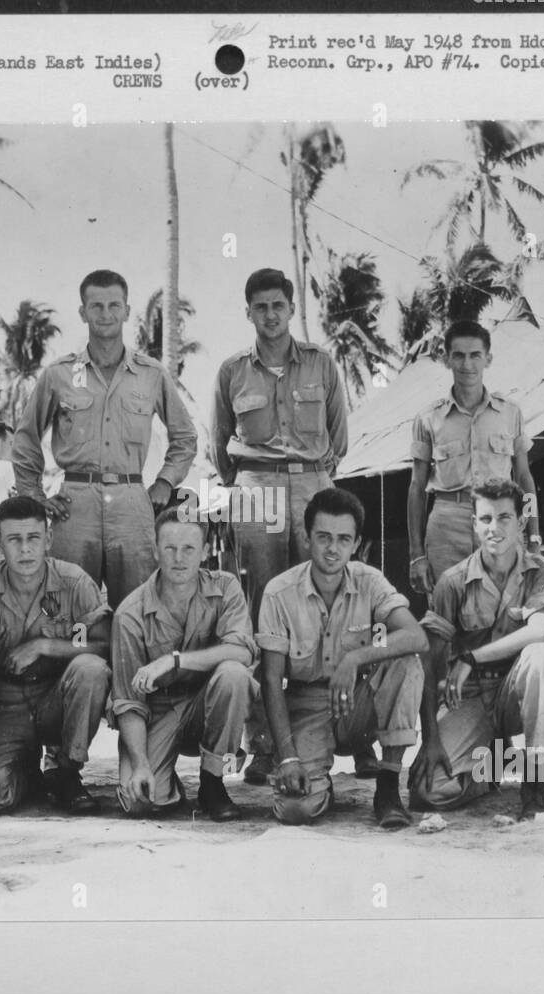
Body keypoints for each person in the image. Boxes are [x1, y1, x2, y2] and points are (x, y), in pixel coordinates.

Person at [211, 268, 349, 784]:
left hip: (312, 485)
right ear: (248, 312)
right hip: (256, 492)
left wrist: (306, 474)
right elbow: (219, 444)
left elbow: (339, 436)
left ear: (291, 309)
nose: (270, 315)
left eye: (278, 305)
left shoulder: (321, 364)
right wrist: (252, 481)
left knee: (316, 608)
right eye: (260, 306)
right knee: (259, 611)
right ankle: (263, 743)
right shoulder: (232, 372)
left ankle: (315, 734)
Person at [10, 270, 198, 605]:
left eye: (114, 305)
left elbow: (184, 437)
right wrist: (34, 496)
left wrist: (165, 483)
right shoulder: (60, 374)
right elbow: (25, 439)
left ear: (127, 310)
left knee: (140, 605)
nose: (106, 314)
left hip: (132, 503)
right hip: (74, 506)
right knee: (68, 606)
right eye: (96, 306)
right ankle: (75, 660)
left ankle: (137, 660)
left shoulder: (151, 375)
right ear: (83, 312)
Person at [256, 488, 427, 828]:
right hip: (305, 707)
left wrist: (355, 660)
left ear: (357, 544)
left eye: (343, 539)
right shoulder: (279, 592)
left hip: (356, 704)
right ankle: (321, 785)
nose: (333, 549)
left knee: (406, 661)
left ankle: (388, 785)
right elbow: (271, 680)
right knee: (296, 810)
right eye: (323, 537)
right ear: (306, 539)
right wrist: (288, 756)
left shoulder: (369, 580)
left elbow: (416, 636)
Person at [409, 478, 544, 820]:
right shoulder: (453, 581)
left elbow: (539, 630)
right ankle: (490, 768)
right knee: (430, 792)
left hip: (516, 691)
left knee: (543, 656)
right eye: (485, 519)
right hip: (470, 696)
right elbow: (430, 662)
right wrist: (431, 740)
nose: (494, 529)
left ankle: (535, 784)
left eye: (504, 518)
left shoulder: (538, 571)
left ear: (521, 523)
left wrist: (471, 656)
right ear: (474, 525)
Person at [0, 496, 112, 816]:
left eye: (33, 538)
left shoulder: (74, 582)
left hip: (55, 699)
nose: (25, 549)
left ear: (49, 539)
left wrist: (45, 645)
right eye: (14, 539)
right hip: (3, 704)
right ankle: (25, 770)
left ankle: (66, 772)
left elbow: (101, 644)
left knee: (90, 669)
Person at [111, 508, 258, 821]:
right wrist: (140, 764)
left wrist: (174, 660)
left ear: (205, 552)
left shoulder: (226, 587)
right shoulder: (130, 614)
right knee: (142, 801)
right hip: (158, 713)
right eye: (170, 548)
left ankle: (213, 782)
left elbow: (244, 651)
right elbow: (128, 702)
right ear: (155, 550)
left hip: (207, 706)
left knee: (233, 674)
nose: (179, 558)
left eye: (189, 548)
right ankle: (165, 777)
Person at [407, 320, 539, 595]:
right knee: (445, 610)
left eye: (475, 355)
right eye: (458, 355)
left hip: (499, 518)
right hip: (447, 521)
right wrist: (416, 553)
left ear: (488, 359)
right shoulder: (428, 418)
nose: (467, 364)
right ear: (446, 360)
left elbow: (524, 477)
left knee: (504, 606)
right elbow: (416, 487)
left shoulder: (510, 413)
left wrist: (534, 535)